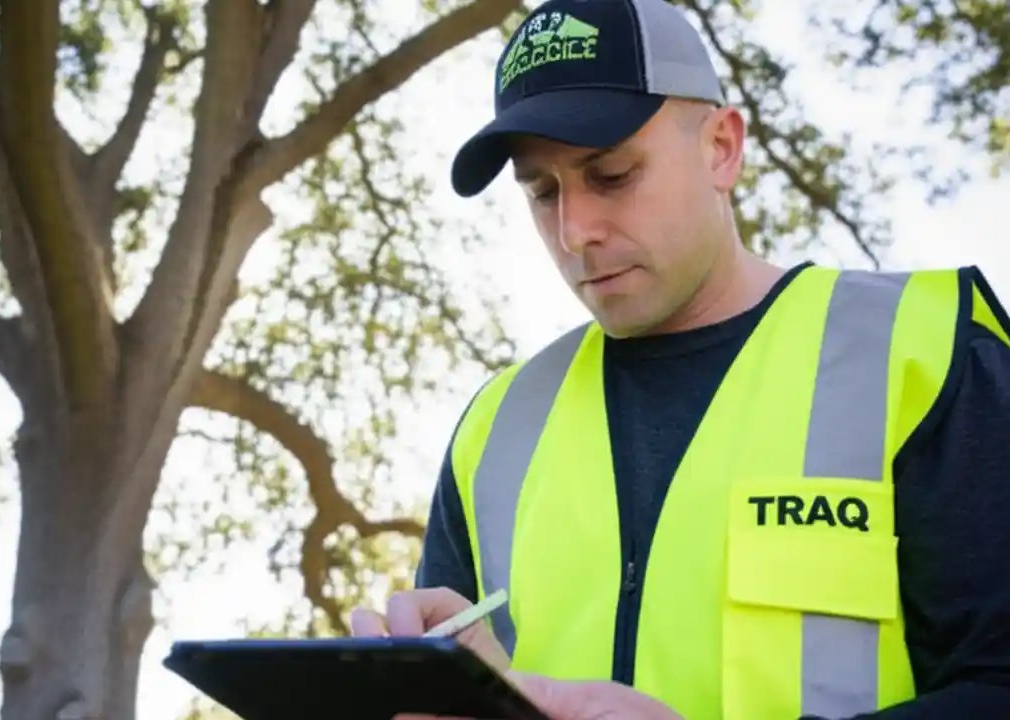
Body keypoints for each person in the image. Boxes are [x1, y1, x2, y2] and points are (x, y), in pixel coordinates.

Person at [348, 0, 1010, 718]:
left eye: (610, 175)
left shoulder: (926, 353)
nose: (575, 232)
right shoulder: (494, 428)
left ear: (722, 147)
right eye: (542, 193)